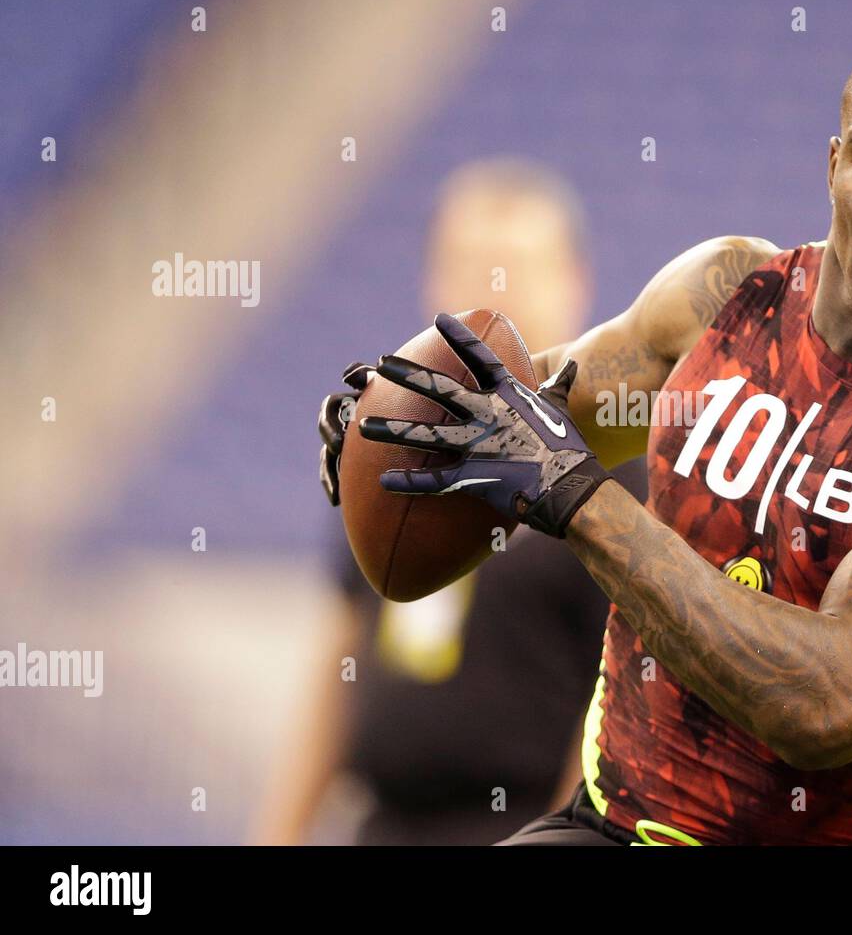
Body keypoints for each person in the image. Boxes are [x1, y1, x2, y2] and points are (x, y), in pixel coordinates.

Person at [319, 23, 852, 845]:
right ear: (834, 166)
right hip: (618, 826)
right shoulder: (724, 296)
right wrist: (405, 426)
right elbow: (523, 416)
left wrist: (577, 498)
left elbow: (827, 705)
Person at [256, 158, 645, 845]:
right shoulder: (391, 442)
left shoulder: (614, 469)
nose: (492, 293)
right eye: (468, 265)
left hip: (513, 826)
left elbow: (618, 712)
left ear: (575, 284)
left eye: (516, 267)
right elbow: (342, 656)